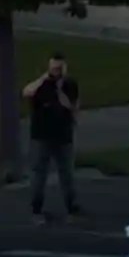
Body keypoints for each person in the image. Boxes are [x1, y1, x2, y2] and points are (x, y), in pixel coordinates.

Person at [22, 52, 83, 224]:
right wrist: (43, 79)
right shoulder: (41, 85)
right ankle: (36, 208)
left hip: (63, 136)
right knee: (39, 174)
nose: (56, 72)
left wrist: (60, 90)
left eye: (60, 68)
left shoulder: (70, 85)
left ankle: (72, 206)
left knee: (67, 174)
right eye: (54, 68)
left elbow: (72, 107)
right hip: (41, 136)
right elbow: (27, 92)